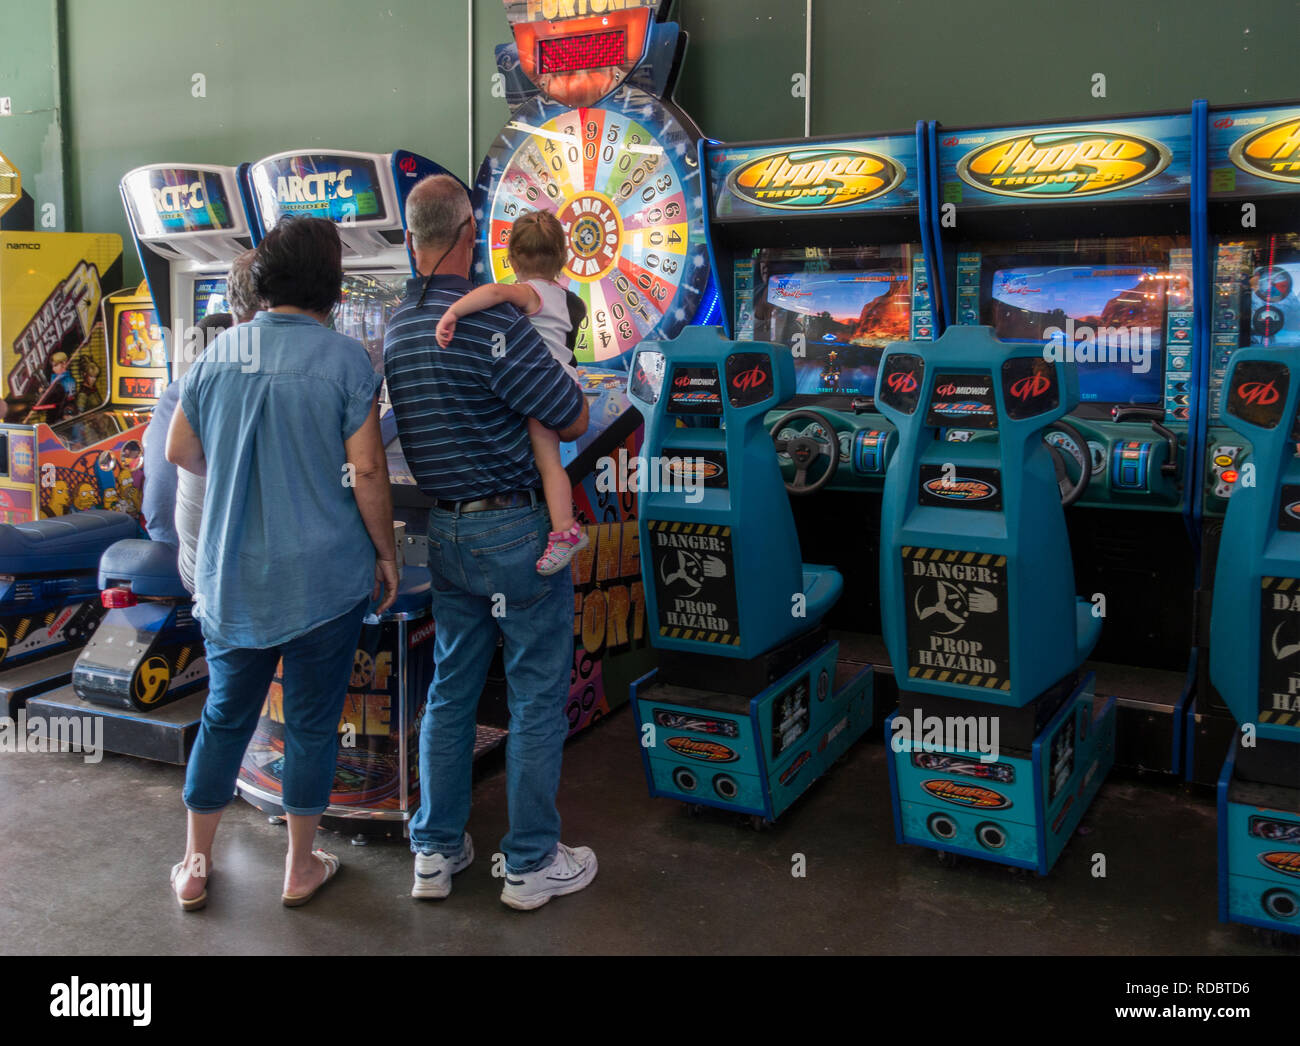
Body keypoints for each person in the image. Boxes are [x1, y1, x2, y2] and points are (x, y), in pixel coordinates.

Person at [166, 217, 399, 911]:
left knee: (224, 719)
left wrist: (244, 471)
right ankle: (299, 867)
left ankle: (194, 865)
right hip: (324, 580)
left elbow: (182, 451)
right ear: (329, 282)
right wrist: (386, 554)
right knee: (312, 723)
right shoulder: (346, 359)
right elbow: (367, 471)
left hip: (231, 577)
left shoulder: (216, 354)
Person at [384, 175, 596, 910]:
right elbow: (567, 416)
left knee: (451, 691)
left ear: (412, 237)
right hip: (514, 527)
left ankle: (435, 853)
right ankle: (532, 863)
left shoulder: (397, 324)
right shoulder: (488, 320)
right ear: (470, 234)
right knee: (536, 696)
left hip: (445, 531)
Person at [434, 210, 588, 575]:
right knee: (550, 461)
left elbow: (495, 291)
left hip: (545, 385)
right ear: (564, 257)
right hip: (565, 382)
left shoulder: (528, 293)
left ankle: (565, 531)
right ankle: (565, 528)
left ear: (511, 258)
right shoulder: (567, 299)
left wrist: (452, 312)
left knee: (548, 462)